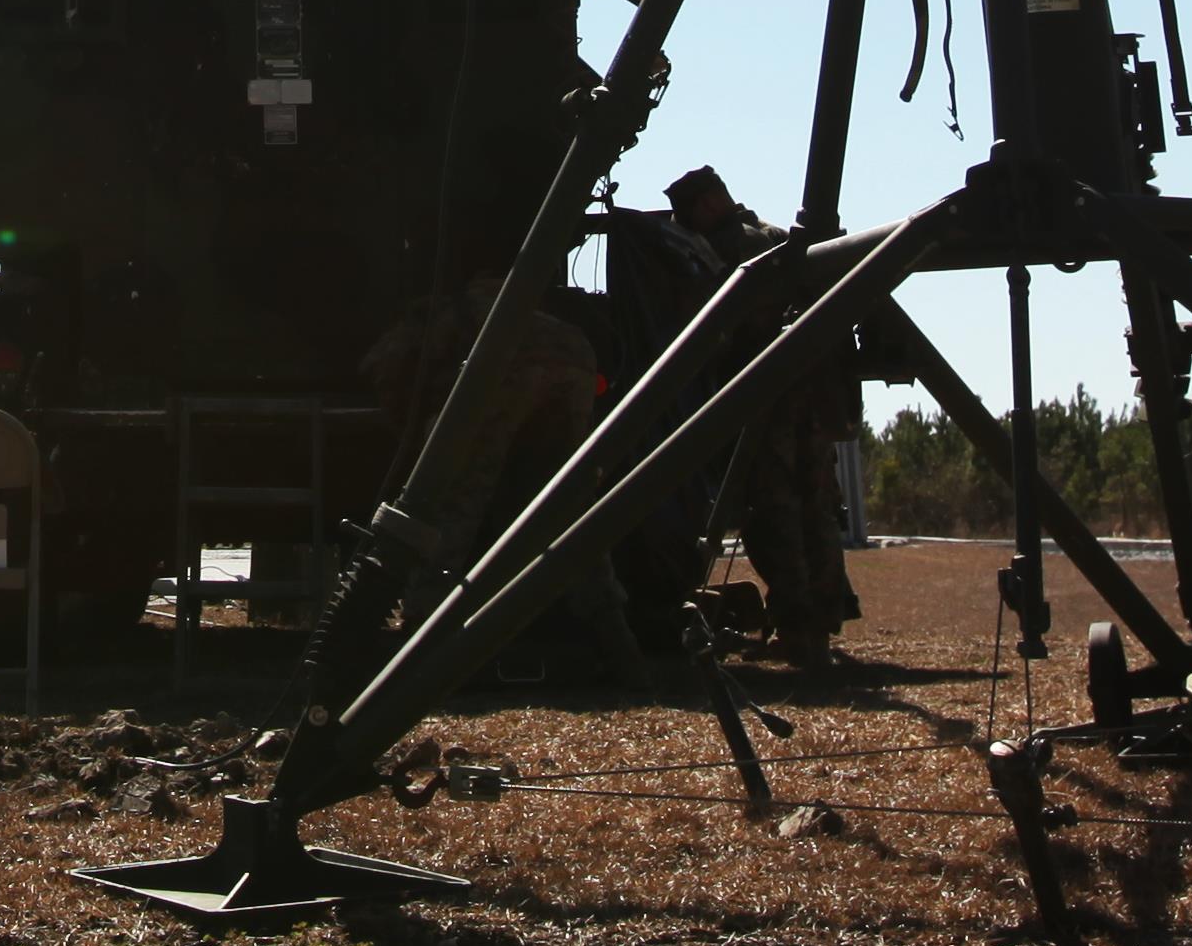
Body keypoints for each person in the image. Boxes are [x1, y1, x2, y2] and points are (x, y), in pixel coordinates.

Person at [361, 268, 641, 687]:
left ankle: (420, 642)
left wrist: (420, 450)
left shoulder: (429, 323)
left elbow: (391, 381)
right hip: (577, 364)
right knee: (565, 510)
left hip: (511, 367)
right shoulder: (518, 305)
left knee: (454, 506)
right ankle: (619, 644)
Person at [664, 166, 867, 673]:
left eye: (689, 211)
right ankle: (822, 619)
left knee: (774, 510)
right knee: (817, 506)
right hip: (813, 393)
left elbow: (710, 325)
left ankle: (799, 630)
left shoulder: (726, 251)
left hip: (765, 397)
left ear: (708, 204)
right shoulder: (776, 237)